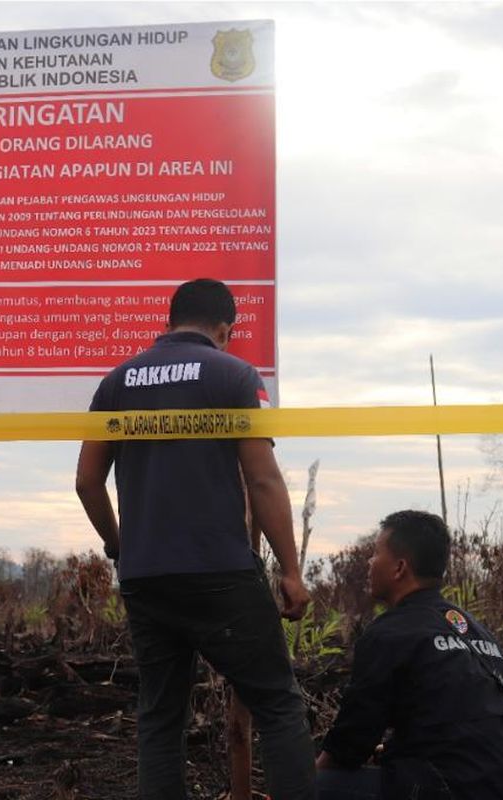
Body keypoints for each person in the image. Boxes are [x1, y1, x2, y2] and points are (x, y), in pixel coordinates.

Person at [75, 278, 316, 800]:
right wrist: (291, 571)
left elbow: (87, 482)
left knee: (160, 717)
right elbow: (264, 479)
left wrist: (119, 546)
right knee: (277, 703)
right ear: (225, 329)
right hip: (220, 572)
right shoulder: (235, 375)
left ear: (170, 320)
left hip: (146, 577)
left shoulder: (117, 381)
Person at [316, 510, 503, 800]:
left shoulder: (390, 633)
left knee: (308, 789)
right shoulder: (476, 631)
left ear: (399, 568)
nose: (369, 562)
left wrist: (309, 781)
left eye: (376, 553)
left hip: (446, 789)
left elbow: (350, 744)